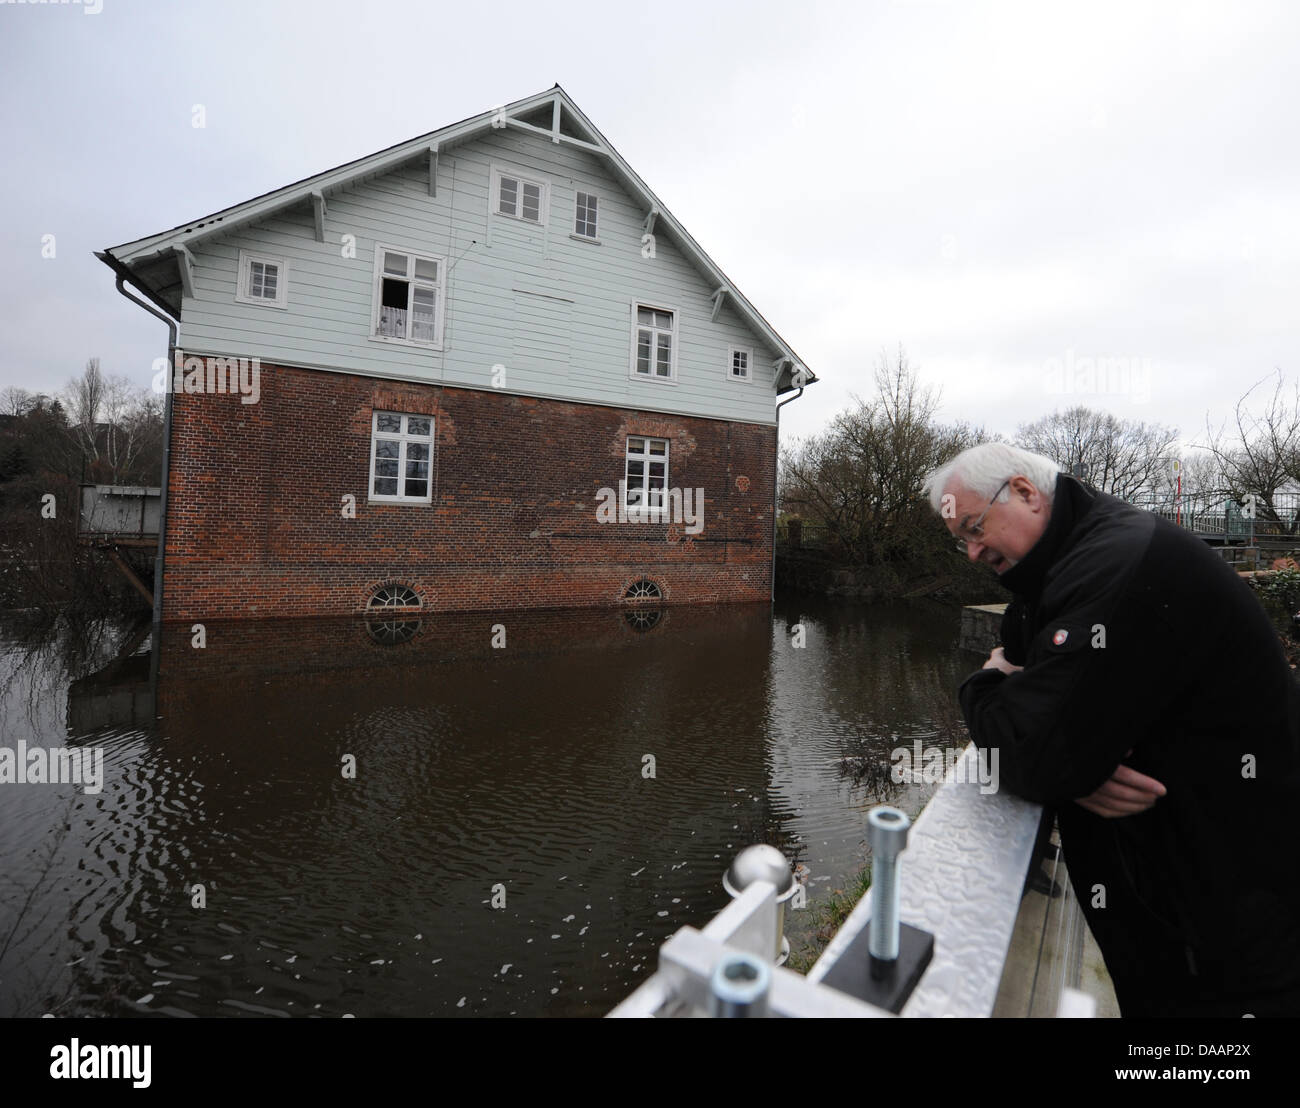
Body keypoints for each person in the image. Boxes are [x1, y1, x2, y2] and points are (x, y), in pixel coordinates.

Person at [923, 442, 1300, 1017]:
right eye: (961, 539)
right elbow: (1044, 724)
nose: (972, 552)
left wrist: (985, 687)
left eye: (974, 528)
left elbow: (1031, 754)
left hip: (1226, 908)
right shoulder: (1061, 565)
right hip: (1178, 893)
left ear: (1024, 492)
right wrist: (1070, 757)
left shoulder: (1114, 567)